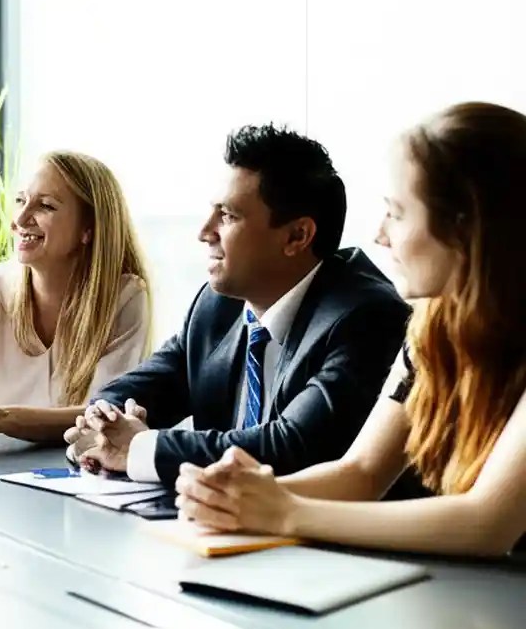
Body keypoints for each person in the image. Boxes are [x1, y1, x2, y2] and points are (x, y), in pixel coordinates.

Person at [176, 103, 526, 556]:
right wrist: (237, 498)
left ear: (466, 227)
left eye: (396, 213)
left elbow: (485, 523)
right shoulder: (430, 333)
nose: (380, 235)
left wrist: (282, 510)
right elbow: (359, 473)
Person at [68, 124, 410, 485]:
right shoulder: (217, 306)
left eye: (228, 216)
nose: (204, 231)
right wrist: (103, 420)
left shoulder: (367, 316)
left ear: (297, 236)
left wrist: (137, 449)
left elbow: (296, 447)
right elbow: (144, 386)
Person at [0, 150, 153, 444]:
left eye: (45, 206)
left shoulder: (125, 297)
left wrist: (4, 419)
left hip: (83, 477)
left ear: (88, 229)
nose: (20, 219)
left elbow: (105, 416)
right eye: (21, 200)